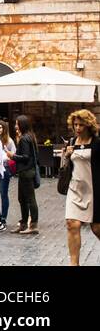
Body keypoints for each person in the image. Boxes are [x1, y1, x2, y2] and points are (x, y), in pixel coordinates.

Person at [62, 109, 99, 266]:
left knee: (97, 228)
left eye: (81, 125)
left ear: (88, 125)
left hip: (94, 190)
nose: (77, 128)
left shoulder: (97, 142)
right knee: (72, 223)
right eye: (75, 124)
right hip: (75, 189)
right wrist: (67, 155)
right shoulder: (71, 142)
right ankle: (74, 264)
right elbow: (65, 166)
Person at [12, 114, 39, 235]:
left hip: (26, 171)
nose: (15, 126)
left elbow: (25, 157)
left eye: (17, 124)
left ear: (22, 125)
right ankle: (24, 223)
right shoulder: (30, 136)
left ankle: (32, 225)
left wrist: (12, 156)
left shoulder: (24, 139)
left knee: (28, 199)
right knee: (23, 198)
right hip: (28, 171)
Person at [0, 120, 15, 223]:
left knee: (3, 193)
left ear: (4, 129)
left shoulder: (9, 140)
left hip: (5, 168)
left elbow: (14, 154)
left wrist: (6, 154)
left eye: (0, 127)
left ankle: (3, 217)